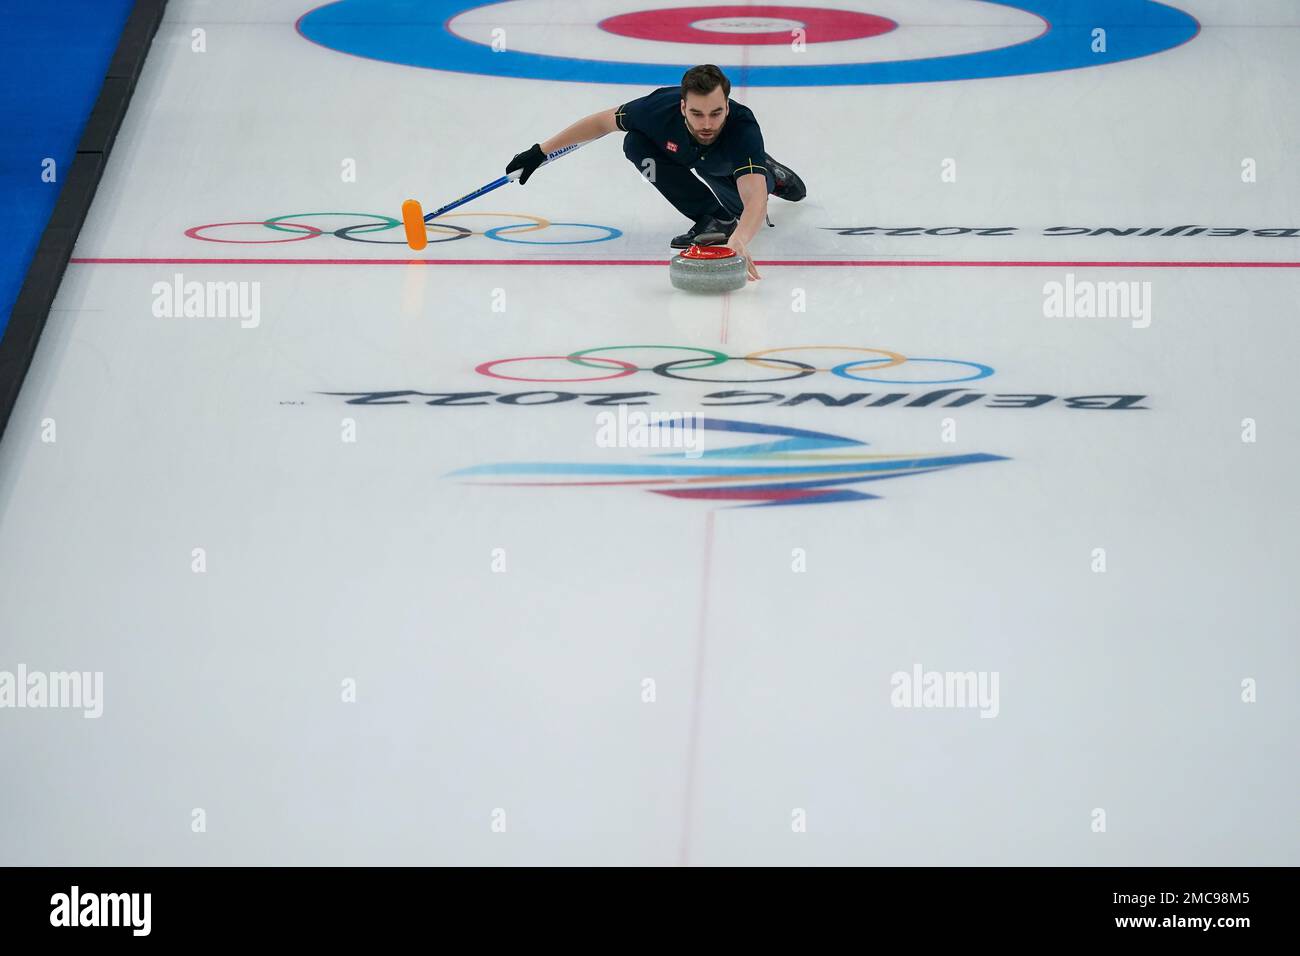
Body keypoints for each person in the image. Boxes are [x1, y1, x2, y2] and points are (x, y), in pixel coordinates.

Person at [506, 64, 805, 282]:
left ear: (727, 106)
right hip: (690, 157)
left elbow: (754, 201)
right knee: (634, 142)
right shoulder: (656, 108)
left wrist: (739, 241)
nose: (707, 124)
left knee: (750, 198)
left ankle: (771, 173)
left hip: (732, 164)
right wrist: (540, 152)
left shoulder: (743, 127)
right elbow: (601, 123)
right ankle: (713, 216)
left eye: (716, 113)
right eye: (697, 113)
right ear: (682, 106)